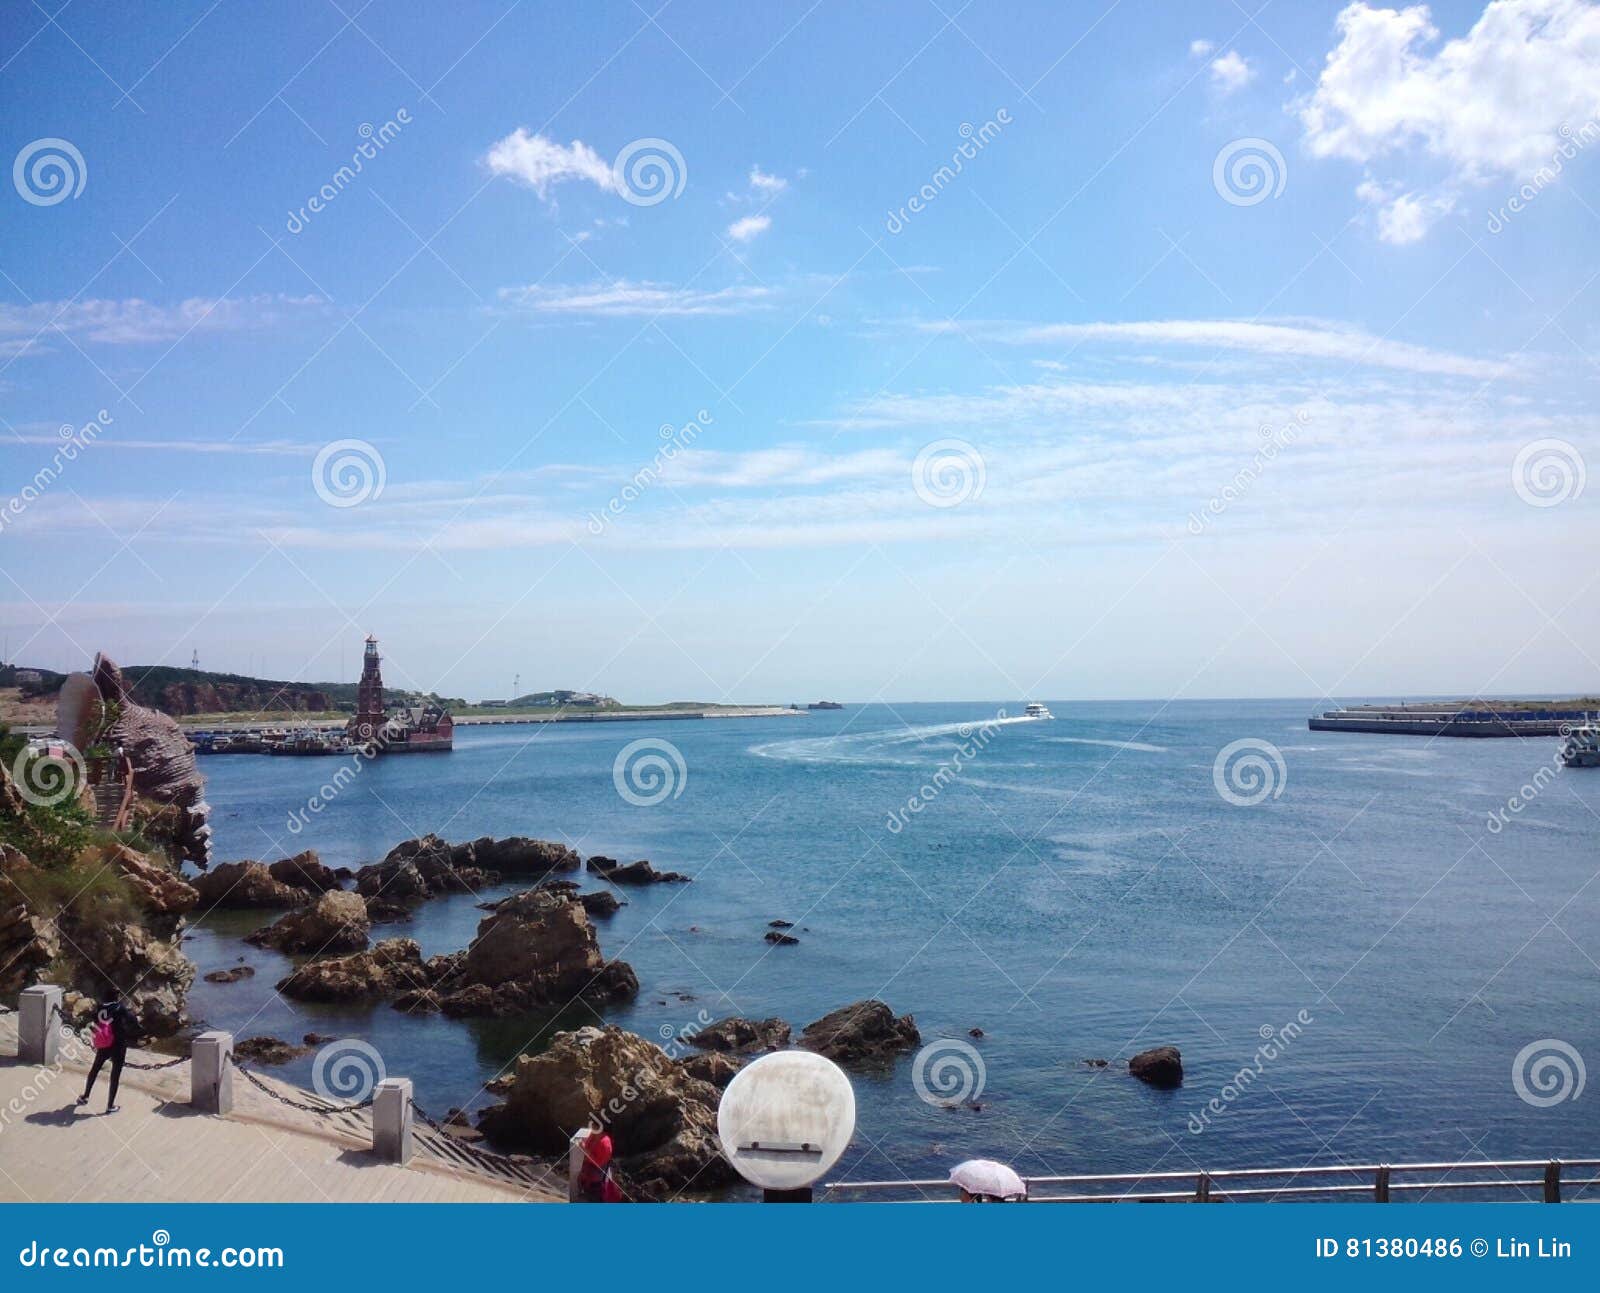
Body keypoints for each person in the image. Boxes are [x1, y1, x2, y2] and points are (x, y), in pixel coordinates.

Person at [78, 993, 139, 1113]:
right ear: (116, 998)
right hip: (118, 1045)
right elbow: (132, 1020)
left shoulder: (100, 1008)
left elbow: (95, 1020)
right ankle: (110, 1105)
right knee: (115, 1075)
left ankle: (85, 1096)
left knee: (95, 1069)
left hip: (104, 1044)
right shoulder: (119, 1008)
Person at [577, 1117, 620, 1202]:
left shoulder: (605, 1143)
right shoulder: (594, 1136)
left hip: (595, 1183)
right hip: (586, 1176)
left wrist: (584, 1151)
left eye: (592, 1125)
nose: (590, 1127)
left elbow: (599, 1164)